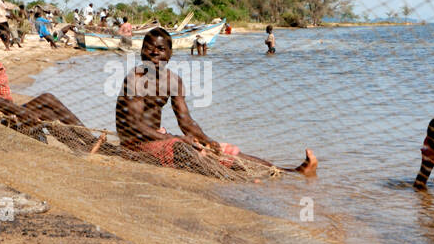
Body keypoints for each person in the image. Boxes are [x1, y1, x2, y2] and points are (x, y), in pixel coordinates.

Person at [116, 28, 316, 176]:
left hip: (157, 138)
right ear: (141, 51)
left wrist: (206, 140)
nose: (154, 53)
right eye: (149, 49)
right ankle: (230, 179)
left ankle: (289, 171)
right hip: (135, 143)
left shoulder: (173, 80)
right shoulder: (136, 79)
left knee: (223, 150)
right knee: (182, 147)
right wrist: (172, 139)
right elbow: (134, 127)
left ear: (170, 53)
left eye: (160, 49)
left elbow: (186, 122)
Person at [0, 22, 84, 129]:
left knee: (47, 103)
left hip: (1, 118)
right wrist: (20, 112)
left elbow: (6, 99)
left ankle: (87, 142)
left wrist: (16, 114)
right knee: (40, 107)